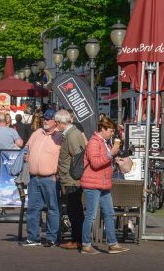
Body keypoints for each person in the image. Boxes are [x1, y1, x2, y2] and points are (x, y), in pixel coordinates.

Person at [81, 117, 129, 254]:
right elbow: (95, 163)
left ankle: (112, 243)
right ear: (102, 129)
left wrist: (115, 159)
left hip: (104, 183)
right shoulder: (93, 143)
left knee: (109, 213)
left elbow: (105, 161)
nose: (112, 133)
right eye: (110, 131)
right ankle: (85, 244)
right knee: (91, 215)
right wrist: (110, 154)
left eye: (113, 131)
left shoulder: (106, 142)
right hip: (92, 184)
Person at [21, 109, 62, 247]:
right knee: (33, 209)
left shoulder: (60, 136)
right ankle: (33, 238)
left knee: (53, 209)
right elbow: (26, 147)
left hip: (50, 178)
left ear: (55, 121)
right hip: (34, 178)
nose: (45, 120)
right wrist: (27, 155)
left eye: (48, 118)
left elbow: (65, 158)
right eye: (45, 118)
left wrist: (58, 175)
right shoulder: (37, 133)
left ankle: (51, 238)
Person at [55, 109, 88, 250]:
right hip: (70, 178)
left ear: (59, 122)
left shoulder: (72, 135)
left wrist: (75, 176)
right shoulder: (71, 133)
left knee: (75, 210)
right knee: (73, 210)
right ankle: (77, 239)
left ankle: (77, 240)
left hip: (72, 180)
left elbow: (79, 157)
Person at [0, 113, 22, 197]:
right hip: (10, 161)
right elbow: (20, 143)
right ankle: (11, 200)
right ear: (6, 121)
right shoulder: (12, 131)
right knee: (11, 180)